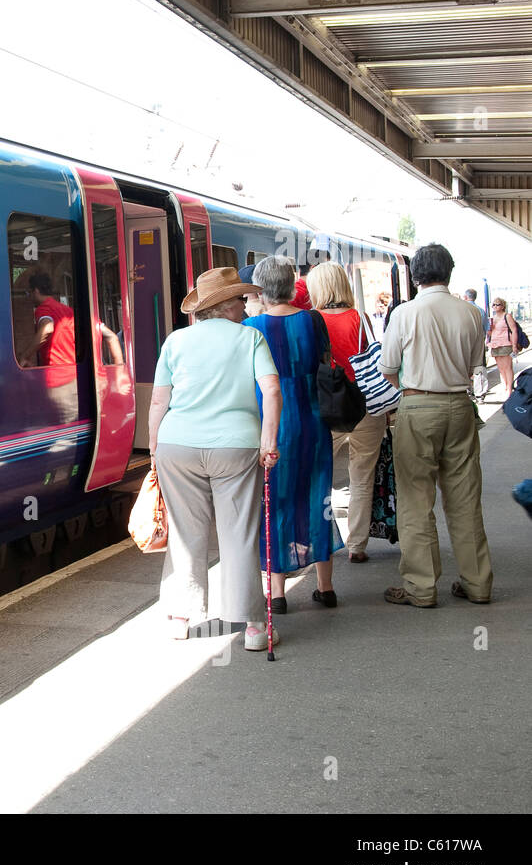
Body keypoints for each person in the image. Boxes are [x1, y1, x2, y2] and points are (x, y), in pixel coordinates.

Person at [148, 267, 281, 651]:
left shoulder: (175, 341)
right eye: (239, 298)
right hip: (236, 447)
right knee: (239, 533)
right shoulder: (251, 338)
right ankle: (254, 627)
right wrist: (268, 442)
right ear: (224, 305)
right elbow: (271, 390)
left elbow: (160, 401)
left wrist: (155, 450)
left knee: (187, 533)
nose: (244, 303)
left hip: (178, 446)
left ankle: (179, 616)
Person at [378, 243, 492, 607]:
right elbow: (476, 364)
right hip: (460, 408)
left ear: (415, 277)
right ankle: (477, 584)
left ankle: (422, 588)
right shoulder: (471, 313)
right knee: (465, 500)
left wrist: (414, 391)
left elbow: (388, 368)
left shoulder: (404, 313)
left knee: (415, 499)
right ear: (449, 273)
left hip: (417, 407)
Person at [245, 256, 344, 609]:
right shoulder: (312, 320)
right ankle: (326, 587)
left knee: (275, 500)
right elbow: (325, 361)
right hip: (313, 419)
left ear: (260, 288)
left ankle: (277, 594)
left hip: (272, 423)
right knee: (319, 496)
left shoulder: (251, 326)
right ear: (291, 285)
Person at [309, 262, 387, 566]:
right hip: (364, 406)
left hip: (326, 410)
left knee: (318, 479)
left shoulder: (312, 321)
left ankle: (318, 543)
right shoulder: (362, 319)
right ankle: (357, 545)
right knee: (362, 478)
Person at [19, 272, 75, 368]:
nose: (29, 297)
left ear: (35, 291)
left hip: (55, 371)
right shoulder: (67, 310)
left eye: (29, 293)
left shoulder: (44, 308)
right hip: (72, 368)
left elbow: (47, 329)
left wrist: (25, 356)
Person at [486, 297, 522, 400]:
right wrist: (489, 328)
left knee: (507, 368)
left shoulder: (507, 316)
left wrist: (514, 345)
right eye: (494, 304)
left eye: (498, 304)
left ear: (503, 306)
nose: (495, 306)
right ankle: (505, 387)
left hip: (506, 344)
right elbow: (490, 333)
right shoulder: (492, 318)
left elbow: (514, 330)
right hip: (495, 344)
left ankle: (509, 390)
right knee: (501, 369)